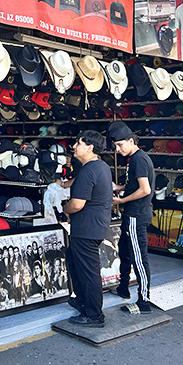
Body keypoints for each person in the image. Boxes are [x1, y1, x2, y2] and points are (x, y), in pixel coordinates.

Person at [63, 130, 113, 326]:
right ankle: (82, 300)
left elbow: (77, 204)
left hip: (86, 228)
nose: (74, 146)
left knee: (89, 271)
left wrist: (65, 209)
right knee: (74, 260)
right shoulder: (101, 167)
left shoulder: (88, 170)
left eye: (78, 143)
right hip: (94, 226)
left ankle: (94, 315)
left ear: (90, 147)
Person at [110, 121, 155, 315]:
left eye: (120, 145)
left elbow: (145, 189)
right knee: (126, 252)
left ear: (131, 141)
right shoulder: (135, 159)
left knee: (138, 257)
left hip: (137, 214)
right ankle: (123, 287)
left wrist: (122, 201)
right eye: (116, 146)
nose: (118, 150)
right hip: (133, 213)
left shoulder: (138, 159)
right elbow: (137, 185)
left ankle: (144, 300)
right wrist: (121, 188)